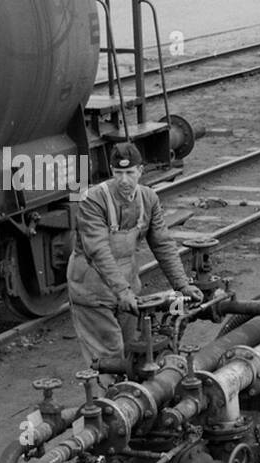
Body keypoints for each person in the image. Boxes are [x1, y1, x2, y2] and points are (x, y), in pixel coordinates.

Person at [67, 142, 202, 369]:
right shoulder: (93, 200)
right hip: (92, 291)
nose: (124, 180)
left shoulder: (148, 199)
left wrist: (182, 284)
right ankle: (107, 402)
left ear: (140, 171)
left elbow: (163, 244)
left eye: (130, 173)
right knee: (109, 358)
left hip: (127, 290)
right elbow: (98, 252)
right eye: (118, 173)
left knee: (132, 352)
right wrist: (122, 291)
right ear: (111, 172)